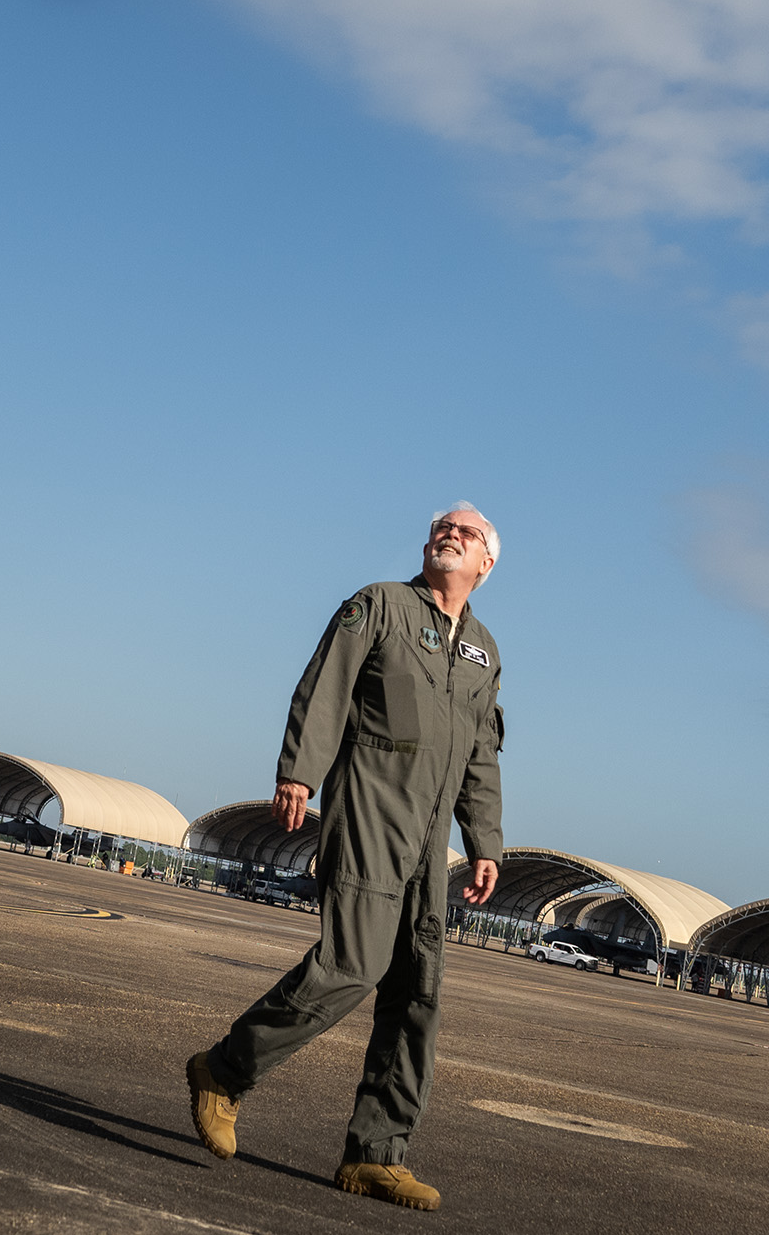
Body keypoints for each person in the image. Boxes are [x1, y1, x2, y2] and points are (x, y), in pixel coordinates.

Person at [187, 504, 506, 1212]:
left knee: (417, 991)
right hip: (369, 805)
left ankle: (375, 1155)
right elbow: (325, 686)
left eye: (467, 533)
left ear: (487, 563)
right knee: (351, 965)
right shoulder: (380, 606)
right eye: (443, 528)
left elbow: (482, 752)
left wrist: (484, 840)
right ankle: (225, 1071)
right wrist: (299, 772)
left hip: (430, 839)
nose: (450, 536)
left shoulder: (483, 651)